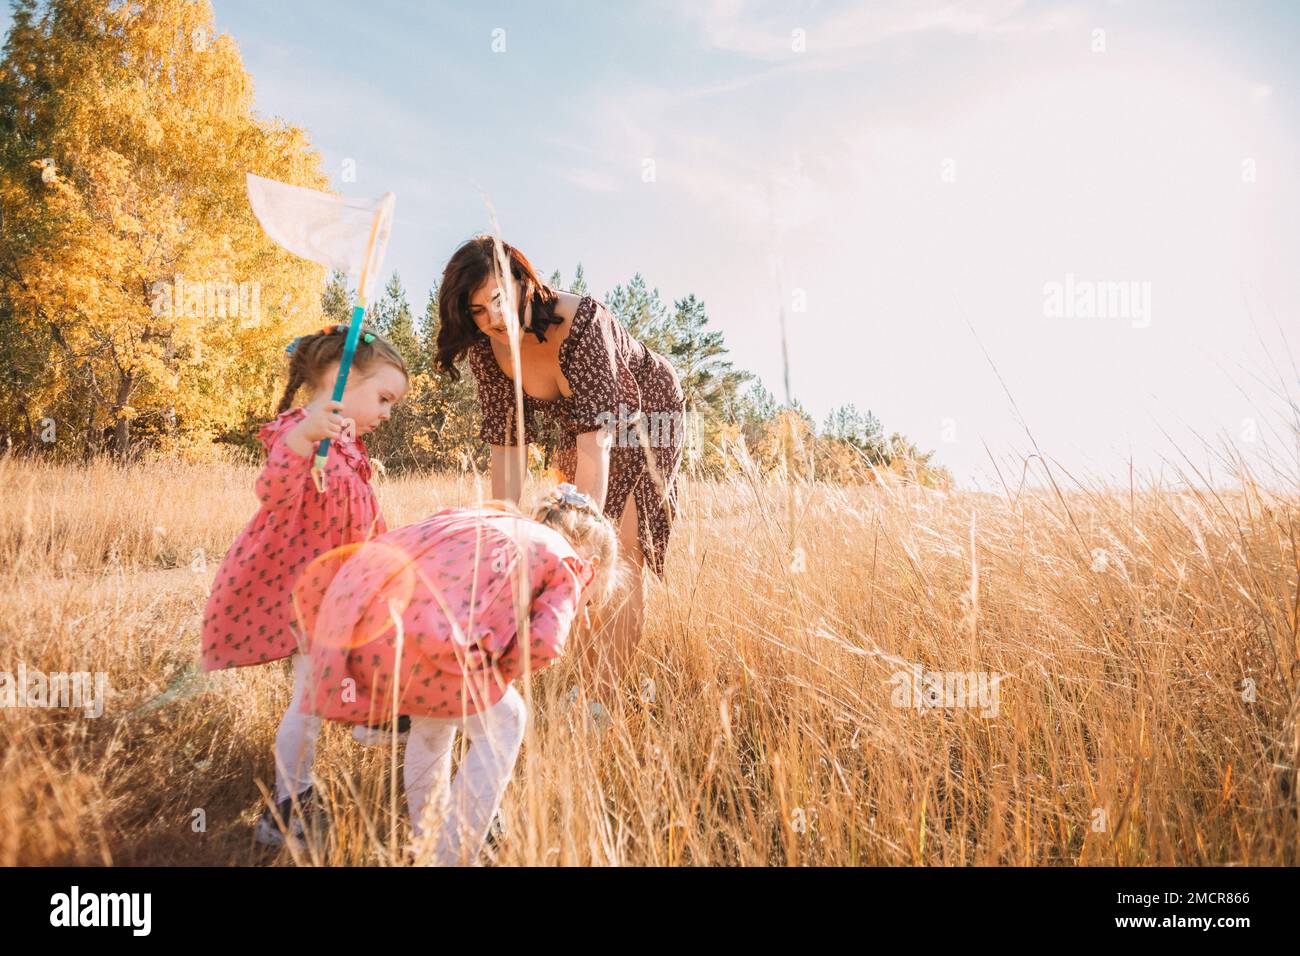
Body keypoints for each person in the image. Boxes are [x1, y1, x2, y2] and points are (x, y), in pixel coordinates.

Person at [291, 486, 622, 865]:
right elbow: (545, 644)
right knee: (507, 721)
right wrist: (500, 673)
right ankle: (454, 855)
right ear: (591, 563)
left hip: (364, 619)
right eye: (589, 601)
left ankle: (428, 843)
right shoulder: (568, 561)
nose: (584, 610)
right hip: (429, 642)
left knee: (433, 728)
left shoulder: (493, 521)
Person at [435, 236, 686, 701]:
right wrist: (501, 540)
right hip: (583, 426)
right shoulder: (487, 350)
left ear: (522, 279)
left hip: (644, 413)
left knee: (615, 548)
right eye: (477, 312)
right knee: (569, 560)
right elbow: (507, 449)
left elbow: (599, 443)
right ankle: (587, 676)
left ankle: (603, 696)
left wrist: (582, 532)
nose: (492, 319)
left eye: (496, 299)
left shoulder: (584, 323)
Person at [199, 323, 409, 847]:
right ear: (340, 379)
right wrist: (303, 436)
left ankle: (373, 716)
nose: (386, 413)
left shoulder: (348, 442)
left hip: (342, 587)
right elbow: (271, 489)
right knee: (309, 699)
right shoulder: (302, 430)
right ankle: (288, 804)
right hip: (300, 588)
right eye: (383, 398)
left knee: (340, 674)